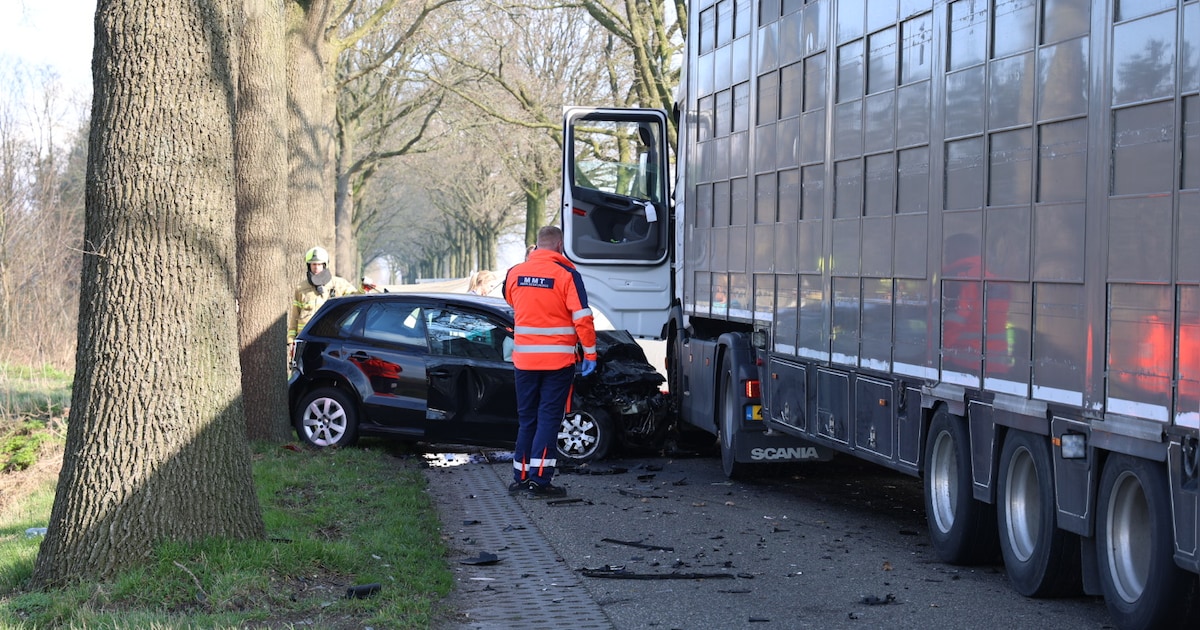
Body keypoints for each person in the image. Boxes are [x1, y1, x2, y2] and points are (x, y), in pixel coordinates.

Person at [503, 226, 597, 497]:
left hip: (524, 361)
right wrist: (590, 354)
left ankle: (521, 478)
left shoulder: (514, 273)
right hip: (558, 362)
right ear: (559, 246)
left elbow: (512, 302)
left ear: (537, 245)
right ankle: (540, 481)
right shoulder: (567, 275)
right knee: (548, 419)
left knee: (527, 419)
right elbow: (583, 319)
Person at [288, 246, 360, 348]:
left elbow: (356, 297)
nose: (316, 267)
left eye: (319, 264)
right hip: (305, 341)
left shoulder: (338, 284)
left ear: (324, 265)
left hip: (330, 340)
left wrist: (363, 289)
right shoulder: (301, 288)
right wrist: (291, 339)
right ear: (309, 265)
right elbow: (295, 315)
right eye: (313, 264)